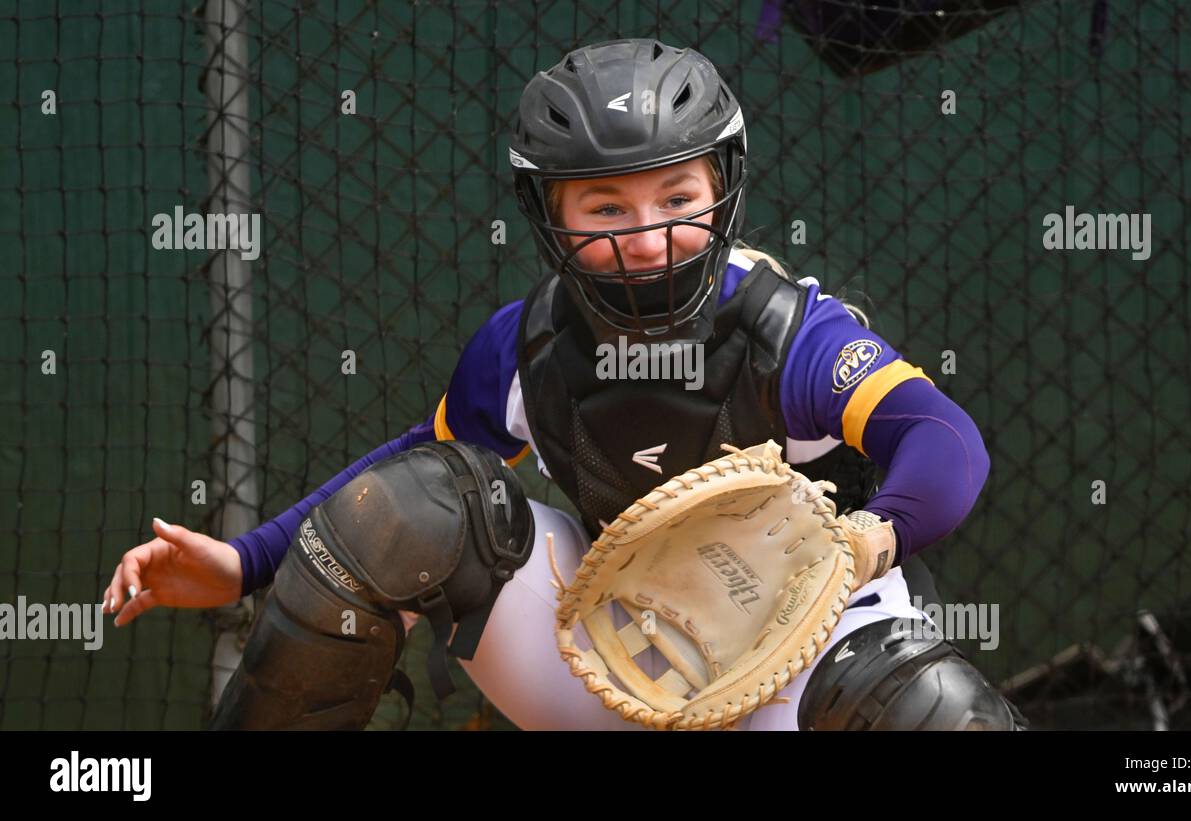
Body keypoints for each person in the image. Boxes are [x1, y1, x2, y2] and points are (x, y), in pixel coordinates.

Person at [105, 38, 1024, 730]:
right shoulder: (528, 344)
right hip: (621, 652)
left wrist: (868, 540)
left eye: (677, 198)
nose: (650, 235)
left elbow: (943, 440)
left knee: (930, 707)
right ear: (549, 215)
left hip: (803, 661)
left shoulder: (784, 332)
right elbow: (396, 486)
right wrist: (243, 563)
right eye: (607, 207)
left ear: (725, 188)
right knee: (422, 507)